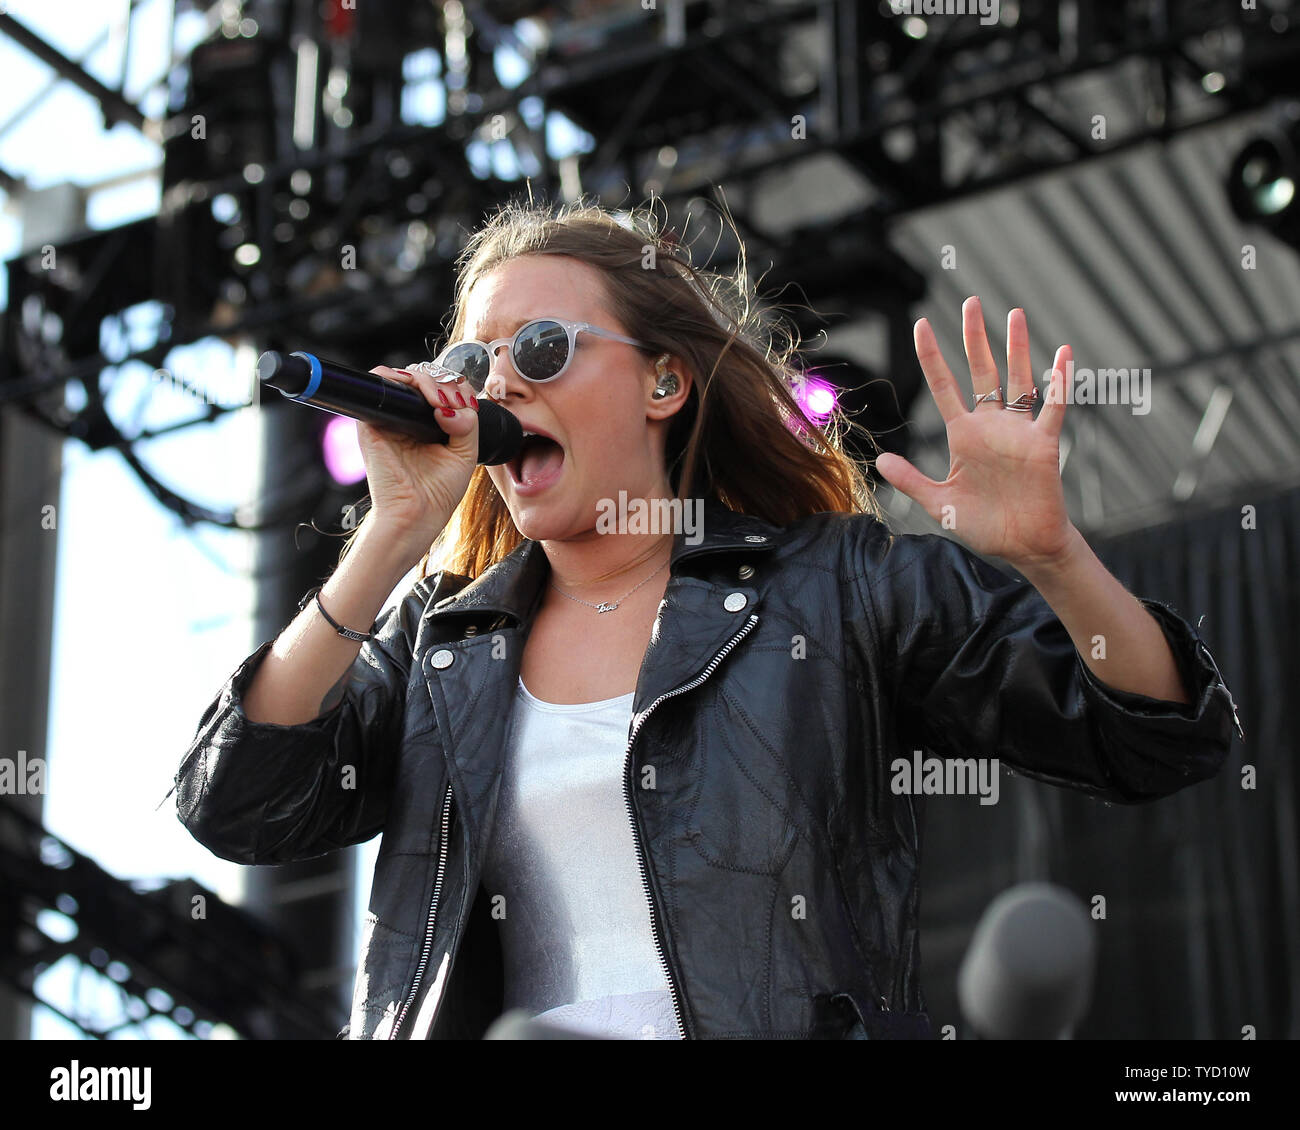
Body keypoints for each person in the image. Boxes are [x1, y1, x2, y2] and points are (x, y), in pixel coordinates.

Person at [172, 198, 1242, 1040]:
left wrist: (1056, 561)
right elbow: (241, 802)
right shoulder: (441, 642)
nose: (497, 384)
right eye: (470, 362)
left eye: (539, 347)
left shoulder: (830, 588)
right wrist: (390, 540)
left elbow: (1155, 733)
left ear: (665, 379)